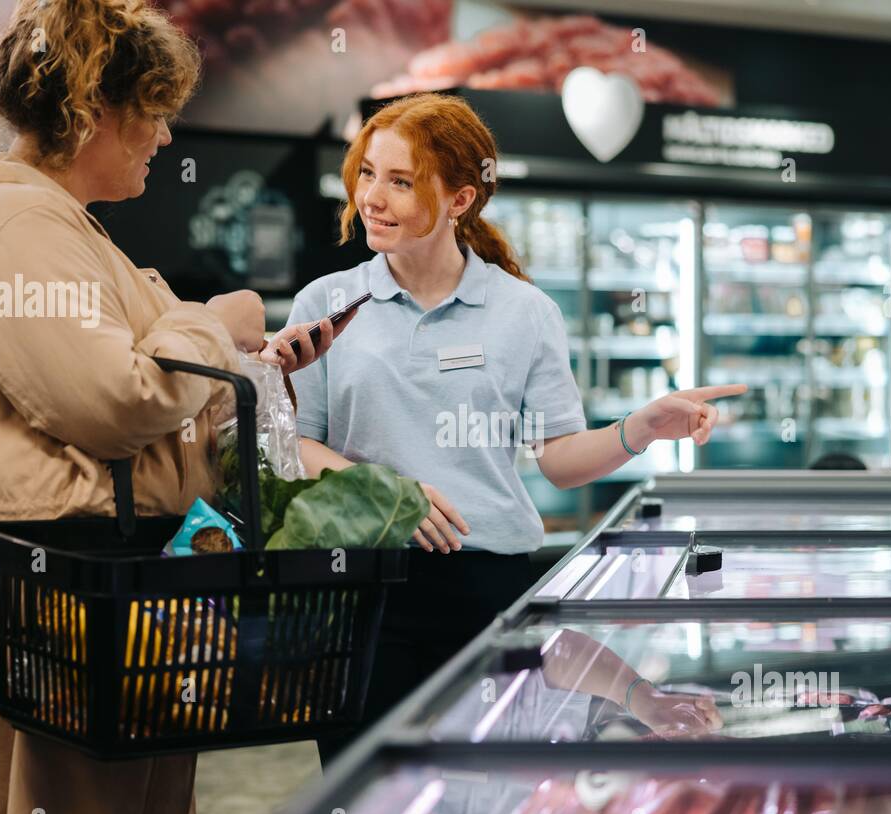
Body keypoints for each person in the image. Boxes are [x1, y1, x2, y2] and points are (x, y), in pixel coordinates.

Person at [0, 0, 351, 814]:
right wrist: (212, 321)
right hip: (34, 616)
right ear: (93, 108)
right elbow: (116, 402)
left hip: (83, 616)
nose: (166, 138)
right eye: (155, 112)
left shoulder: (66, 231)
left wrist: (250, 361)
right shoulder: (12, 229)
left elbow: (144, 390)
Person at [290, 93, 744, 764]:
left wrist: (640, 427)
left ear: (459, 199)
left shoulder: (523, 311)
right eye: (366, 174)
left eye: (400, 180)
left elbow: (556, 457)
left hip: (491, 598)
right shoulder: (325, 303)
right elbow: (290, 445)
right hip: (363, 593)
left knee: (494, 806)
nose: (371, 198)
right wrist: (379, 489)